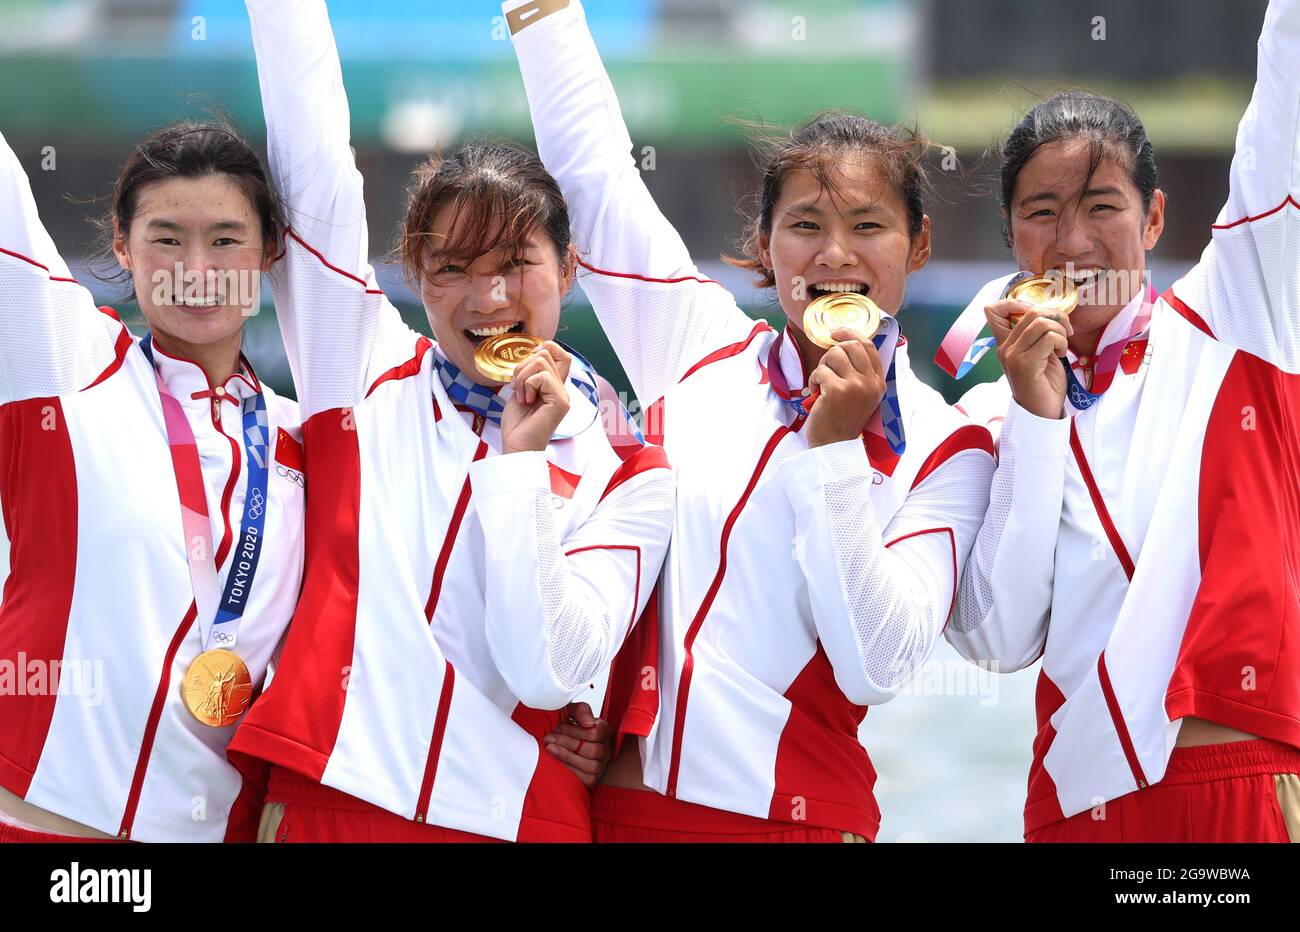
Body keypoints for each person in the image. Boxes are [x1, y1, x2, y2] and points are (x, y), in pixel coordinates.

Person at [506, 0, 994, 842]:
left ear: (917, 247)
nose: (835, 255)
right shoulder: (693, 338)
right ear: (765, 245)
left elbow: (877, 663)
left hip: (793, 821)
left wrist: (834, 452)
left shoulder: (952, 447)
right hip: (615, 812)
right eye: (805, 226)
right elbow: (592, 171)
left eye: (868, 227)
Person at [225, 0, 674, 843]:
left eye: (517, 264)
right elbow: (314, 159)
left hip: (514, 823)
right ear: (415, 277)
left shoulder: (635, 471)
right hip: (332, 801)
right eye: (453, 268)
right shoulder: (358, 369)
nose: (490, 299)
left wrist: (521, 467)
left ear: (569, 268)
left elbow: (550, 671)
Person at [944, 0, 1300, 842]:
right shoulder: (981, 412)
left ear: (1156, 218)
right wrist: (1036, 422)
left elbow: (1287, 97)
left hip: (1239, 784)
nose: (1072, 241)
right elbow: (997, 641)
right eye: (1040, 212)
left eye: (1103, 206)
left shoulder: (1236, 318)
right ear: (1009, 233)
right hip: (1072, 805)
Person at [0, 120, 306, 842]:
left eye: (226, 239)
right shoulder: (66, 366)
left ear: (270, 252)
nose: (196, 268)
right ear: (121, 246)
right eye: (166, 239)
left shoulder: (309, 443)